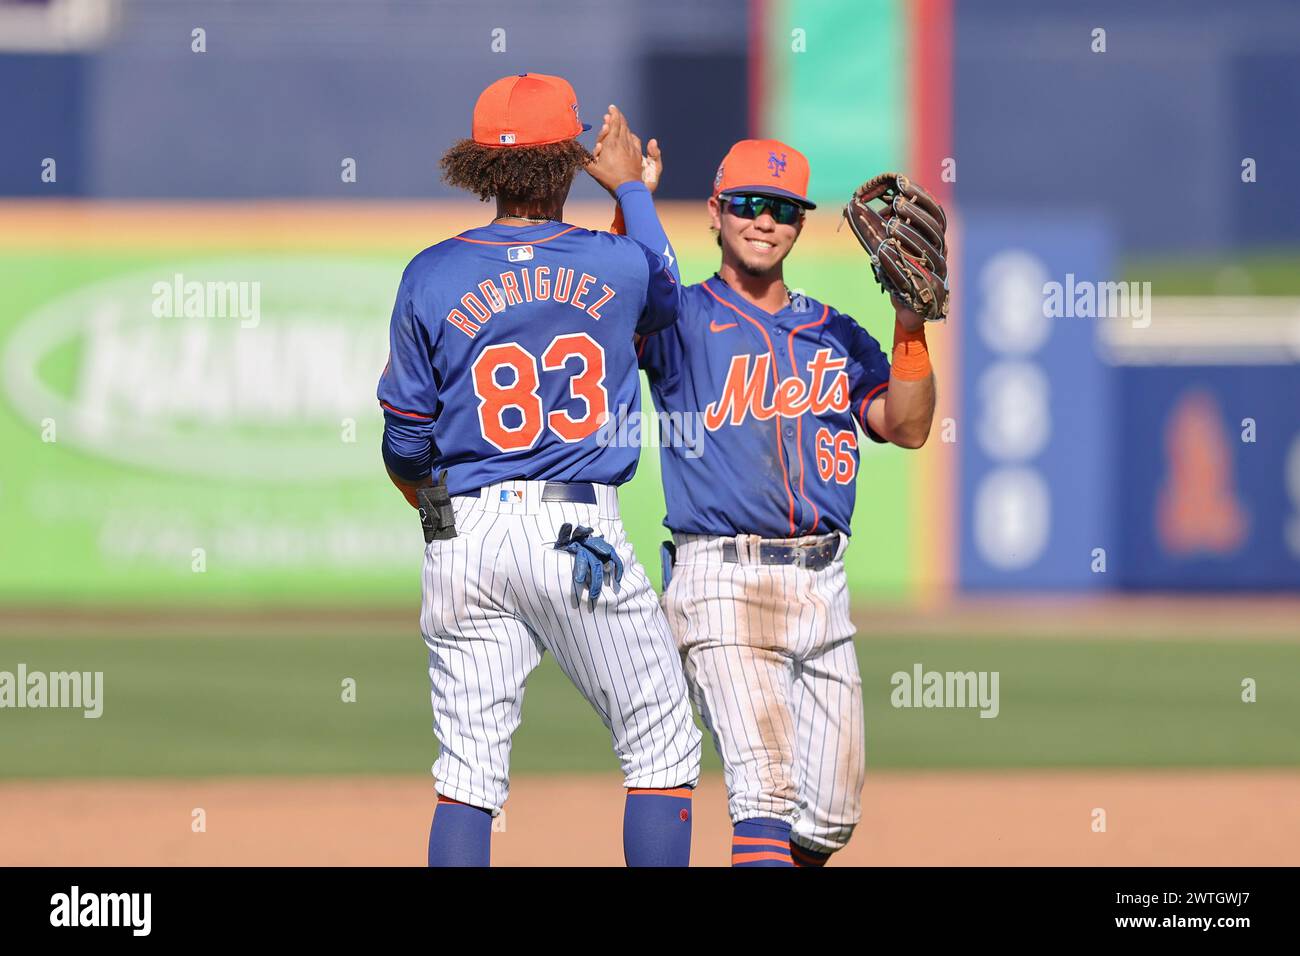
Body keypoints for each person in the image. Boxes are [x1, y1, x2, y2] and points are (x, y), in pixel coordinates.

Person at [377, 75, 701, 867]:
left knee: (469, 775)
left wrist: (438, 520)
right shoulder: (615, 263)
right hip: (573, 526)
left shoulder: (430, 272)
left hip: (466, 531)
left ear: (480, 167)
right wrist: (630, 187)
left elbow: (405, 442)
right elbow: (665, 300)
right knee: (660, 747)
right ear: (567, 162)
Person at [604, 119, 940, 866]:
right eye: (750, 203)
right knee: (763, 792)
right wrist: (631, 200)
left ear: (801, 224)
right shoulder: (680, 317)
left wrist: (910, 321)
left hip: (822, 583)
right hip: (719, 577)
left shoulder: (836, 332)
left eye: (784, 208)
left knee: (825, 822)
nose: (765, 220)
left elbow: (909, 426)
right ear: (716, 212)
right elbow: (624, 295)